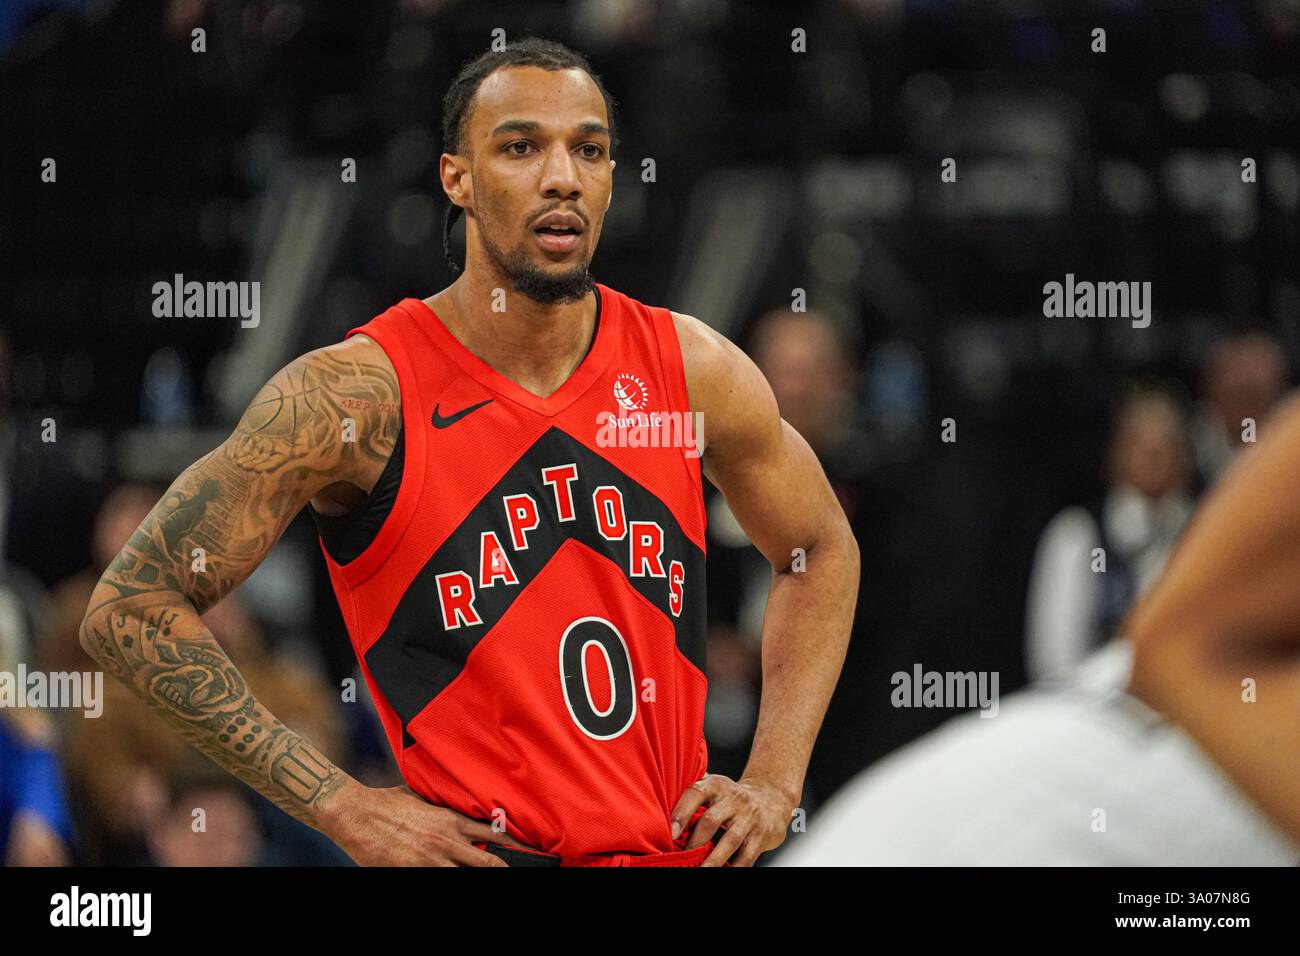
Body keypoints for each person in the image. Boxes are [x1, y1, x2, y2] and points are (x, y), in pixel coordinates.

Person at [78, 37, 859, 867]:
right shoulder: (357, 399)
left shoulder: (691, 371)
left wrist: (774, 780)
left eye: (588, 150)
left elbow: (818, 547)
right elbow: (129, 607)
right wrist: (340, 804)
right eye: (521, 147)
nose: (562, 176)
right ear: (456, 177)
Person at [1025, 387, 1194, 683]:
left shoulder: (1200, 534)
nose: (1153, 457)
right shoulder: (1077, 535)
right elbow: (1053, 662)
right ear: (1117, 454)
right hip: (1095, 713)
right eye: (1140, 444)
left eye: (1167, 445)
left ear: (1185, 458)